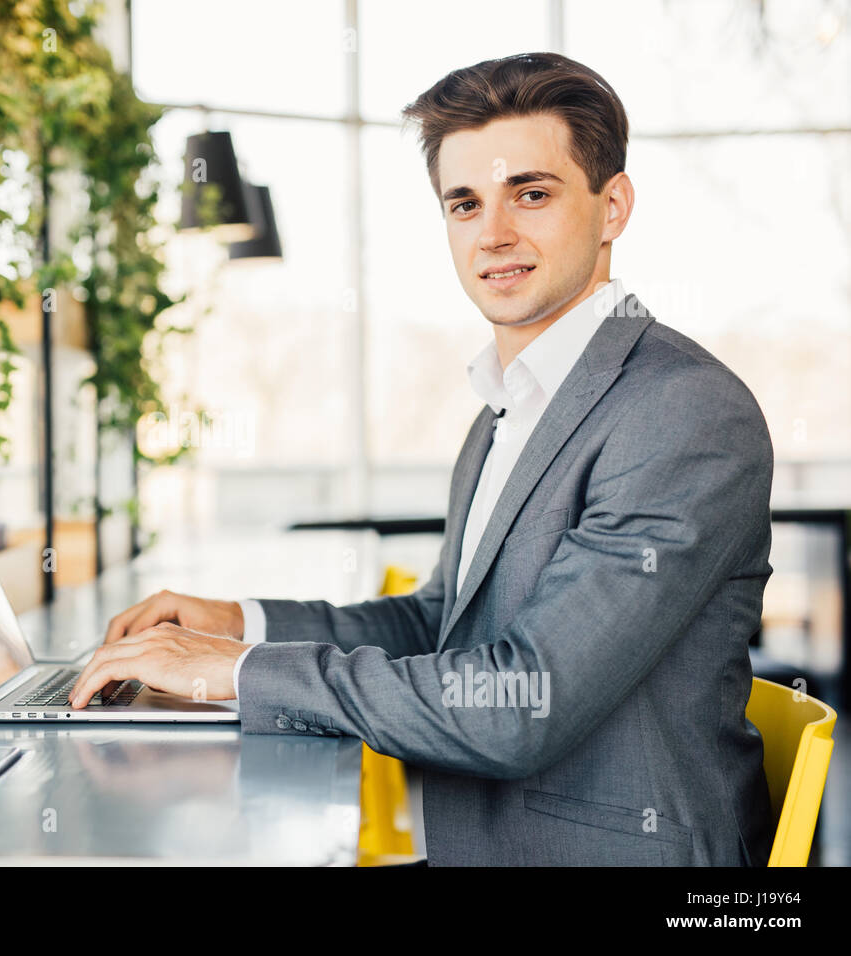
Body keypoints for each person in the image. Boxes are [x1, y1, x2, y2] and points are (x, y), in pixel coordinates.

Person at [69, 52, 773, 866]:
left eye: (532, 195)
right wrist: (237, 624)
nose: (494, 235)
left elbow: (520, 700)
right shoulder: (510, 407)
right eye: (464, 204)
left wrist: (240, 672)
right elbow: (439, 626)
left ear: (612, 206)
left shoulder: (681, 412)